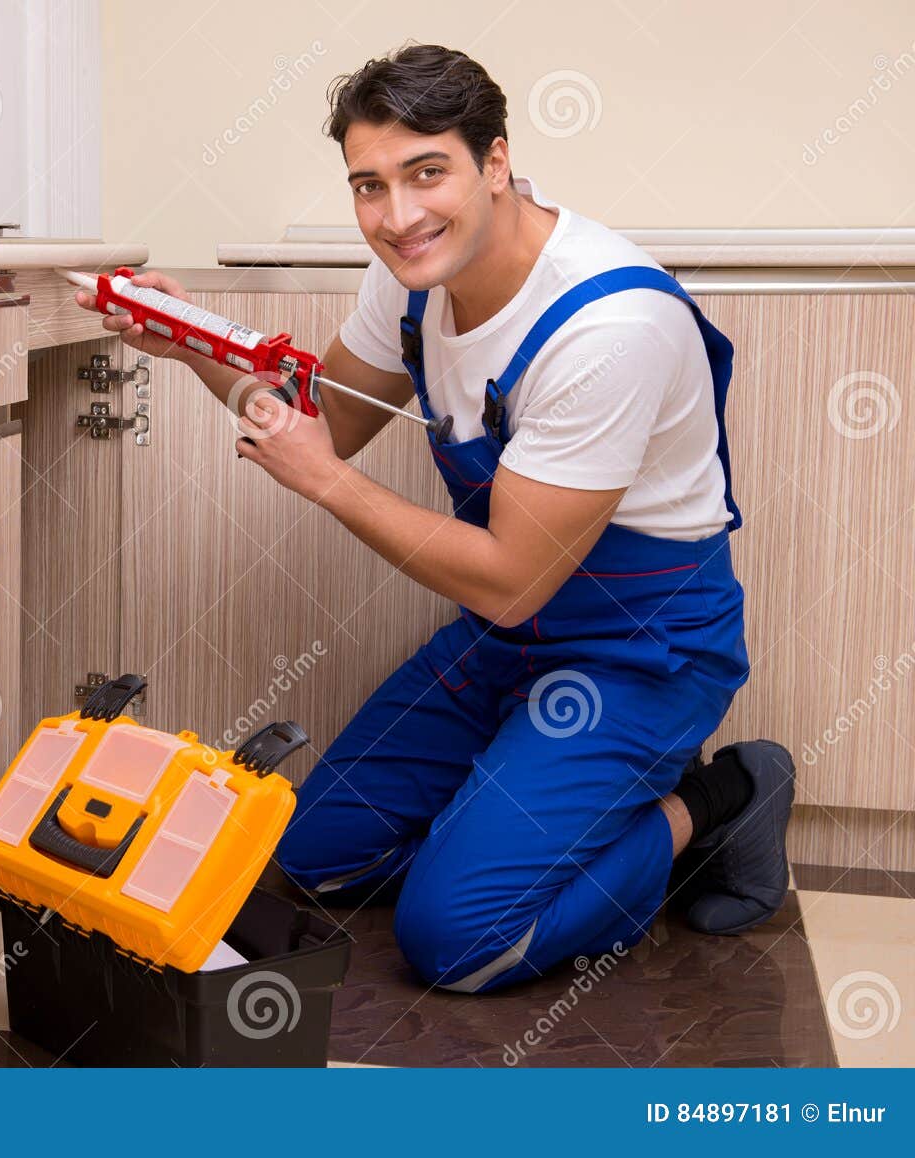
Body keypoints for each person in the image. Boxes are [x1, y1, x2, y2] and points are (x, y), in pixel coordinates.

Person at [74, 43, 795, 993]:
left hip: (640, 652)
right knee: (313, 860)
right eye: (369, 186)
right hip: (506, 644)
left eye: (427, 173)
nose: (398, 216)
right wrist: (189, 343)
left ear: (495, 163)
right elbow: (324, 422)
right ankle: (532, 815)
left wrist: (324, 484)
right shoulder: (413, 285)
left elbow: (510, 573)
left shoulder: (607, 326)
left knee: (461, 943)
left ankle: (717, 797)